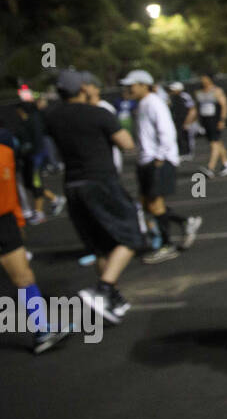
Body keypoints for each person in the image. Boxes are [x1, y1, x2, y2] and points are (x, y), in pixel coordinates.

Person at [42, 69, 143, 324]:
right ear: (84, 89)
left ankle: (112, 296)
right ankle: (103, 289)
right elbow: (127, 143)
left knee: (101, 246)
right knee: (131, 236)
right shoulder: (98, 113)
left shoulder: (51, 118)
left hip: (72, 186)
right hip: (100, 182)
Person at [0, 119, 71, 353]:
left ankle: (42, 329)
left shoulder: (5, 141)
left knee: (24, 276)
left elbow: (11, 187)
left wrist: (18, 220)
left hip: (4, 221)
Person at [120, 70, 200, 261]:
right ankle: (185, 222)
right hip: (147, 161)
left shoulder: (154, 103)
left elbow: (166, 131)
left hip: (158, 161)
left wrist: (160, 158)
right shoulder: (142, 104)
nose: (128, 89)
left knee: (155, 205)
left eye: (131, 85)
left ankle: (167, 244)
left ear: (143, 85)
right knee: (148, 204)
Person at [195, 74, 227, 177]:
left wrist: (222, 120)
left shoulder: (217, 91)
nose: (203, 80)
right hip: (205, 121)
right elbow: (197, 107)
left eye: (205, 78)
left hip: (215, 120)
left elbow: (224, 105)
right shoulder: (199, 92)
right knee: (217, 142)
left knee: (214, 143)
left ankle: (210, 167)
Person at [167, 82, 198, 162]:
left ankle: (188, 153)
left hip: (186, 120)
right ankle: (182, 152)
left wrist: (188, 121)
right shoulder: (172, 97)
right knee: (179, 137)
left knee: (188, 137)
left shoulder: (185, 97)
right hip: (177, 121)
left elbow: (192, 109)